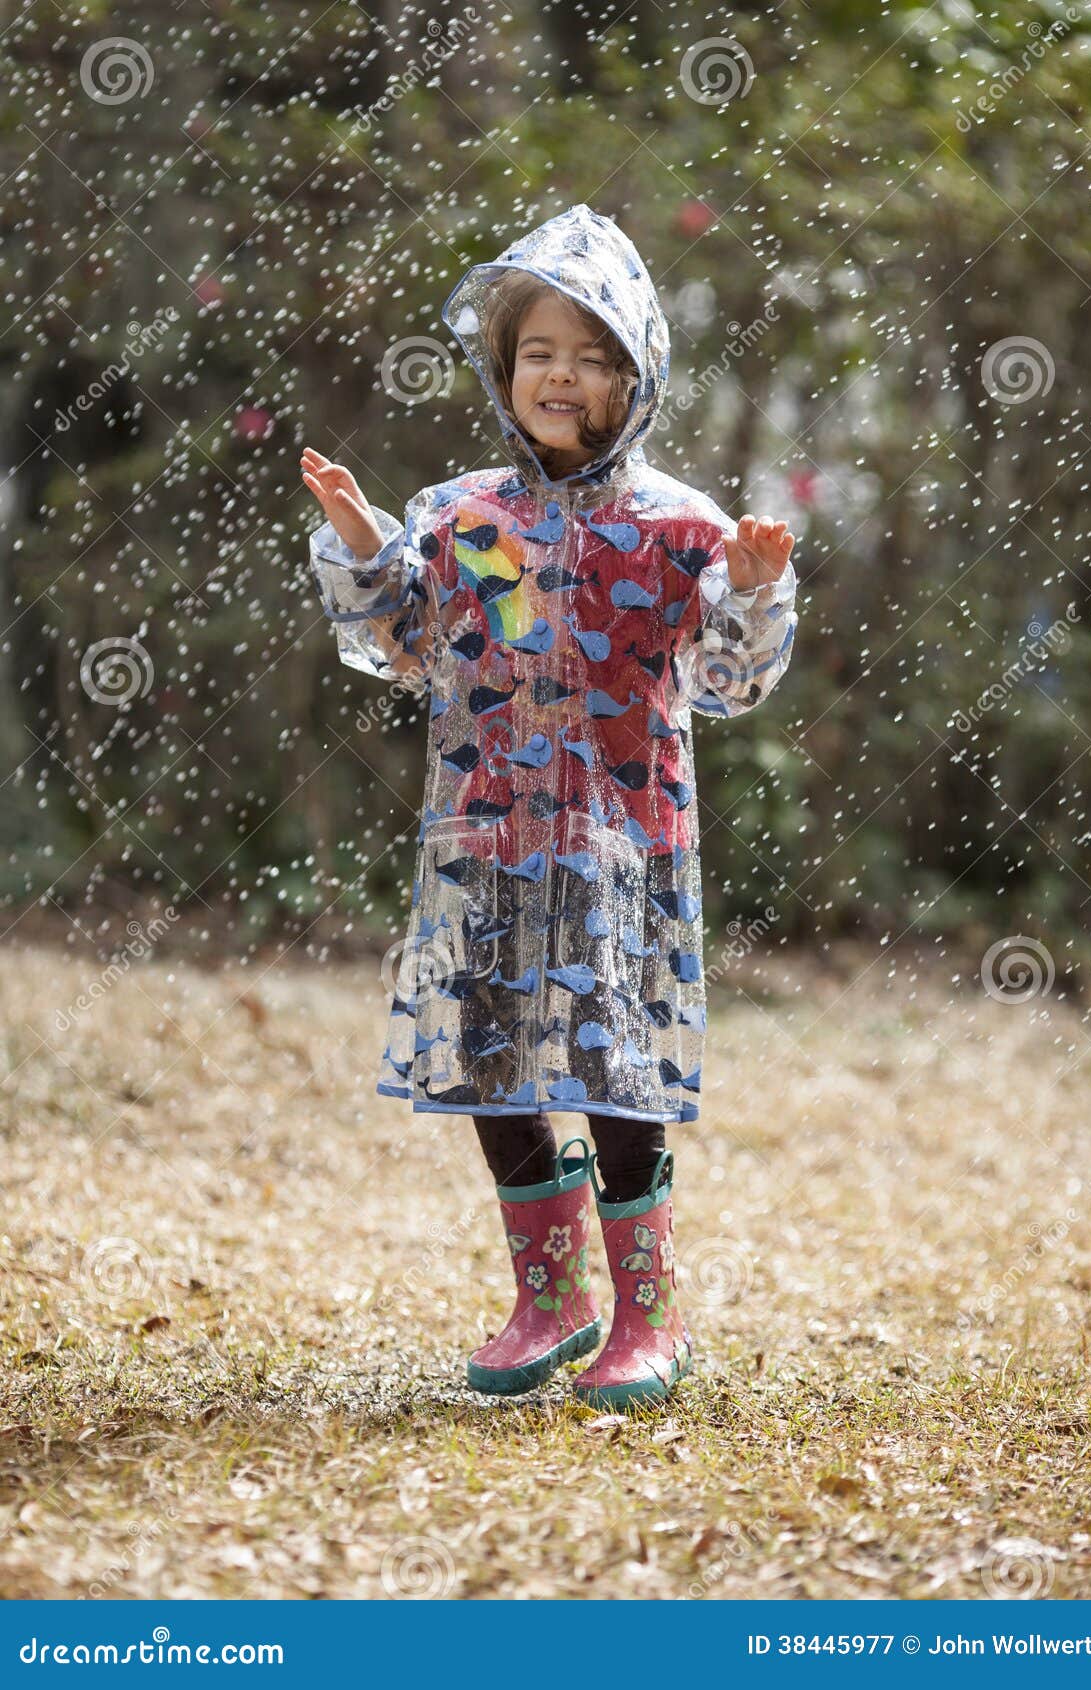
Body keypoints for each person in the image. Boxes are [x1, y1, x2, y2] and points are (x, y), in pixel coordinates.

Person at [302, 203, 798, 1409]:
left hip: (622, 846)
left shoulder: (680, 526)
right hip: (485, 835)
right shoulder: (461, 515)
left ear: (636, 375)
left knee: (614, 1074)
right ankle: (552, 1295)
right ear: (502, 368)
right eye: (537, 353)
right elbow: (403, 645)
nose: (560, 377)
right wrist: (369, 547)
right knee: (493, 1066)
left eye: (590, 355)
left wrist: (753, 591)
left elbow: (730, 681)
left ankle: (646, 1316)